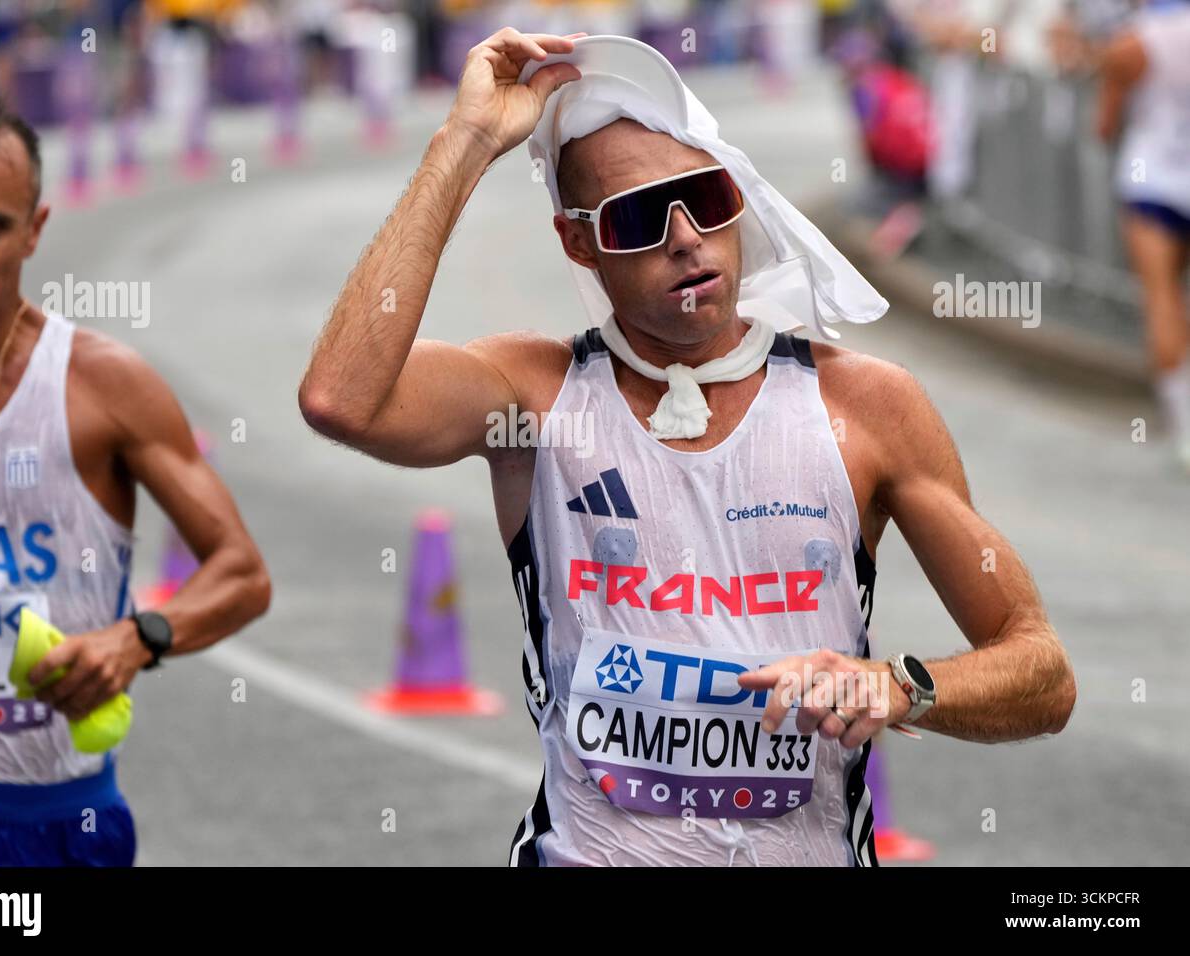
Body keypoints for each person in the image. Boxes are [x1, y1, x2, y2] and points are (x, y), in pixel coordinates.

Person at [298, 29, 1076, 867]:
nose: (684, 238)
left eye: (703, 198)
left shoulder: (866, 404)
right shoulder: (535, 394)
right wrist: (467, 142)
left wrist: (898, 689)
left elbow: (1039, 672)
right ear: (578, 243)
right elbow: (342, 399)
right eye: (637, 218)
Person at [0, 93, 272, 866]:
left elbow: (242, 573)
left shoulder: (103, 386)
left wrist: (136, 641)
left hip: (62, 820)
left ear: (34, 230)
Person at [1096, 3, 1190, 472]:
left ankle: (1185, 427)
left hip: (1153, 180)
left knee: (1162, 299)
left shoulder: (1134, 42)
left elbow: (1104, 126)